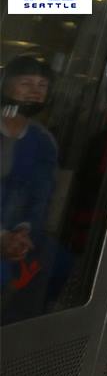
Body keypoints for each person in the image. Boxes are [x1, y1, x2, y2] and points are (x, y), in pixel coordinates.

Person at [0, 55, 62, 324]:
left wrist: (24, 231)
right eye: (26, 83)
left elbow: (42, 195)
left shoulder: (42, 139)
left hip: (18, 241)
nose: (35, 91)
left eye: (42, 85)